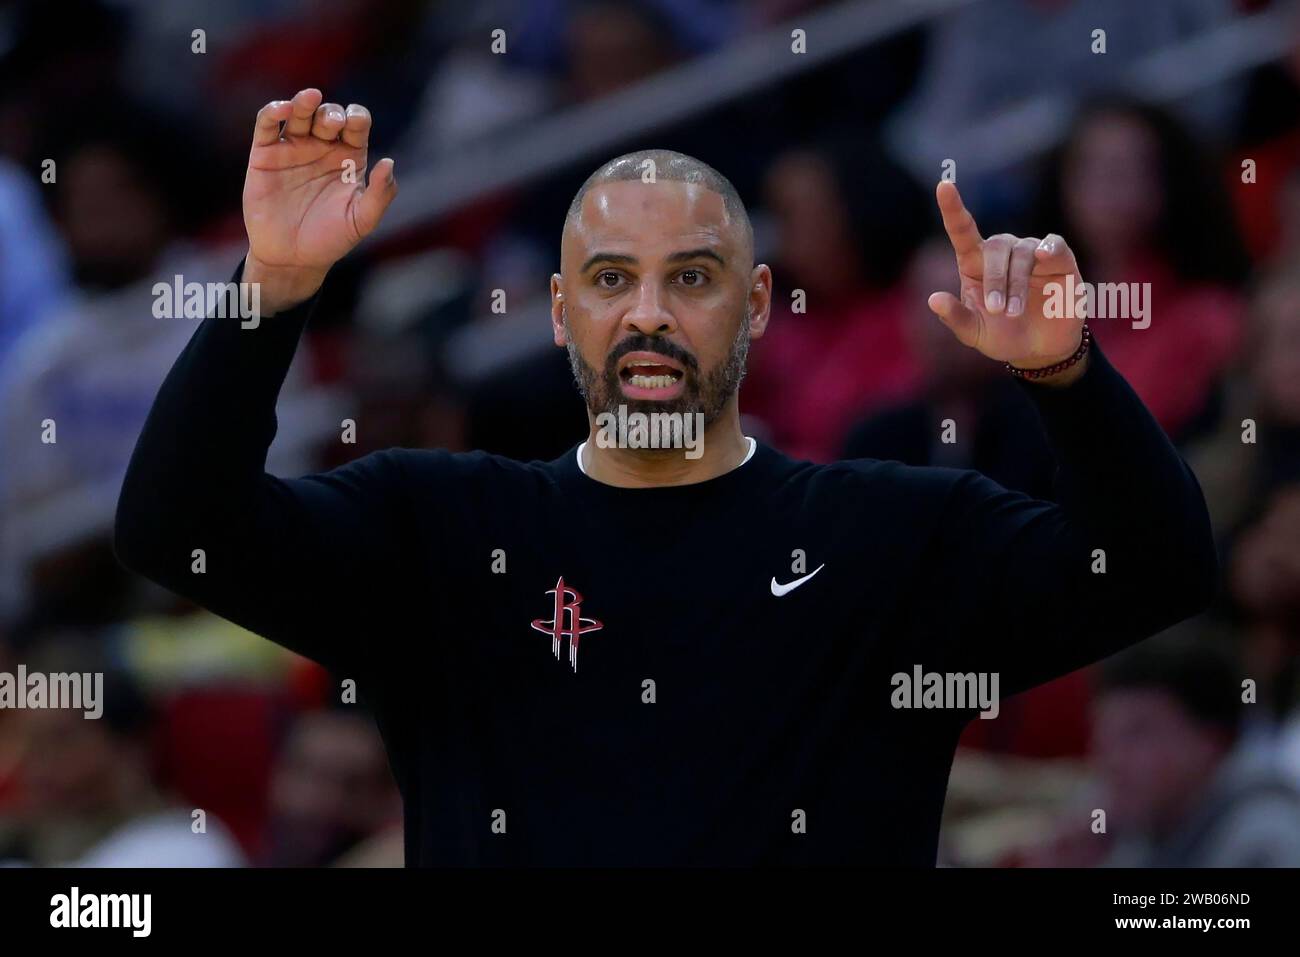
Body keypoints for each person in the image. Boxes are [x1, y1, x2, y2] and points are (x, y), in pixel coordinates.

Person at [115, 88, 1217, 866]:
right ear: (559, 312)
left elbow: (1157, 569)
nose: (646, 314)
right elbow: (176, 528)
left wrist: (1064, 372)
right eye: (610, 279)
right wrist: (272, 285)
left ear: (754, 304)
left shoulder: (888, 532)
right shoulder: (436, 524)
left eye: (690, 277)